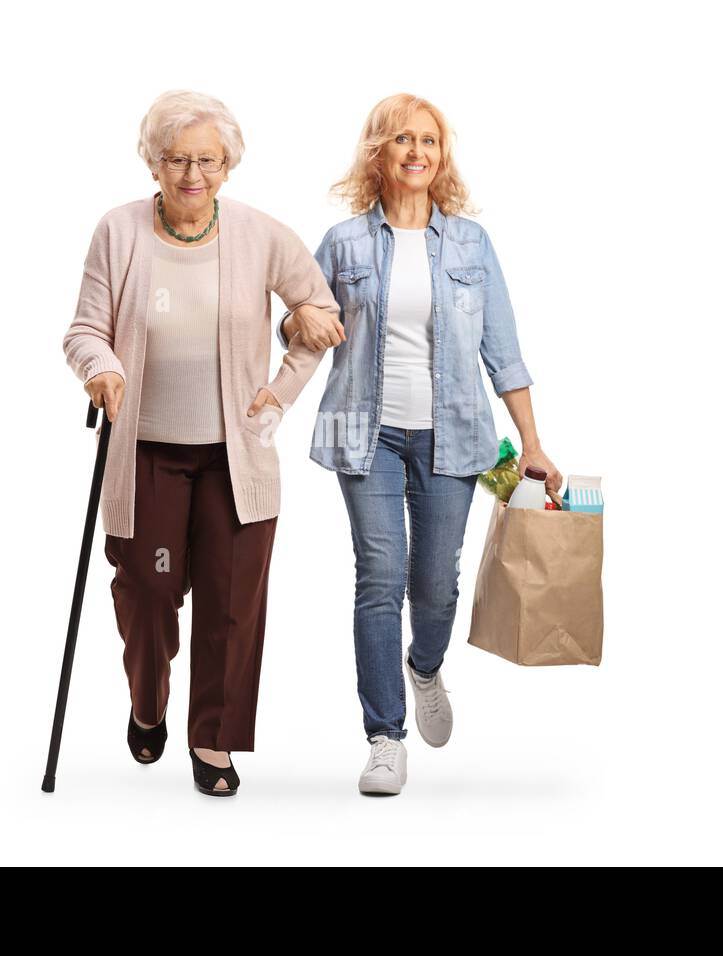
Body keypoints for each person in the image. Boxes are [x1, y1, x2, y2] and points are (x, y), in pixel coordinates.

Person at [278, 93, 562, 795]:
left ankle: (426, 665)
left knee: (435, 585)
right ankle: (384, 737)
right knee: (380, 577)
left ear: (441, 156)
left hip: (456, 438)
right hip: (364, 434)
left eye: (428, 141)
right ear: (380, 150)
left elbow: (504, 351)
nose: (416, 152)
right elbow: (301, 328)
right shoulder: (343, 243)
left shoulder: (470, 244)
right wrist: (289, 343)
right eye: (402, 139)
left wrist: (533, 443)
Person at [63, 90, 336, 797]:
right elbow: (85, 329)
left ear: (228, 165)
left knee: (230, 603)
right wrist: (104, 366)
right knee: (150, 591)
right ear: (154, 163)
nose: (193, 175)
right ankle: (148, 700)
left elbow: (322, 312)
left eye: (208, 160)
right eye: (178, 159)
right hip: (148, 451)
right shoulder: (119, 232)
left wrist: (283, 376)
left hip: (235, 457)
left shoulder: (259, 234)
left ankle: (212, 742)